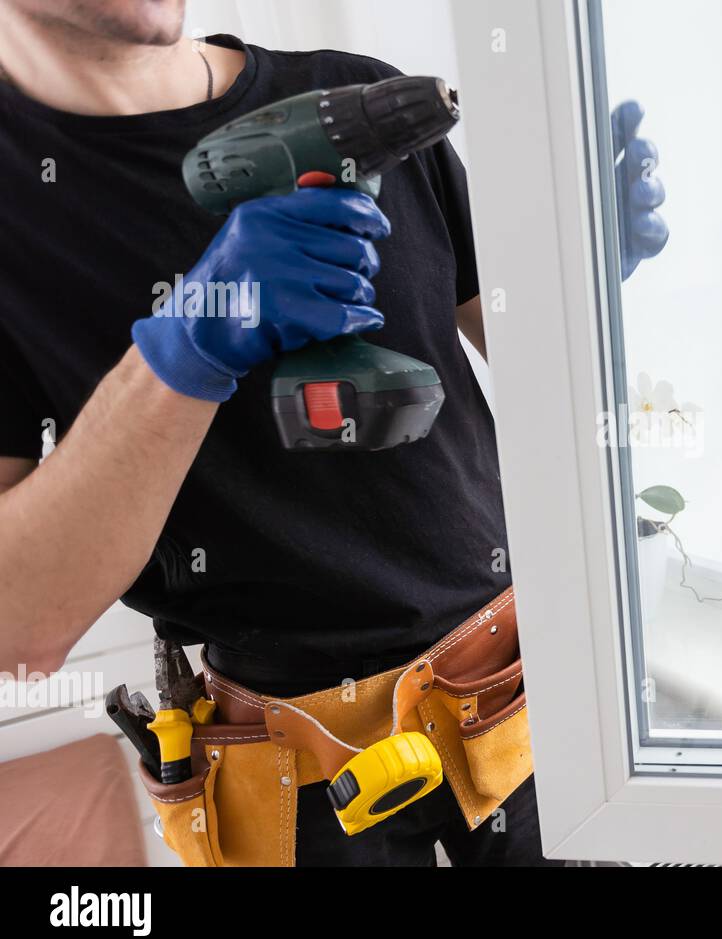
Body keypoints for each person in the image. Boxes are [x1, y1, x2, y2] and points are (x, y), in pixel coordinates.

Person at [0, 0, 667, 866]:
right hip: (297, 792)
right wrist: (187, 347)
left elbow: (540, 365)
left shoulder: (354, 96)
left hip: (522, 713)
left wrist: (584, 276)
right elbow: (20, 630)